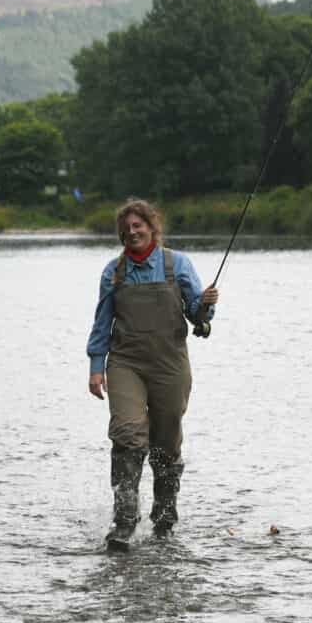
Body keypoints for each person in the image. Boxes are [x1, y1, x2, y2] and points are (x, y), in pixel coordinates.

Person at [87, 198, 217, 550]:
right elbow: (102, 322)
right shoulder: (113, 272)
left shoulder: (178, 264)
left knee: (166, 443)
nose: (132, 232)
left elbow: (197, 314)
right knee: (128, 435)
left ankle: (164, 518)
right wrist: (96, 367)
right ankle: (124, 523)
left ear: (151, 227)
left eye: (138, 226)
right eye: (126, 228)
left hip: (170, 364)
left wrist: (205, 305)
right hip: (125, 362)